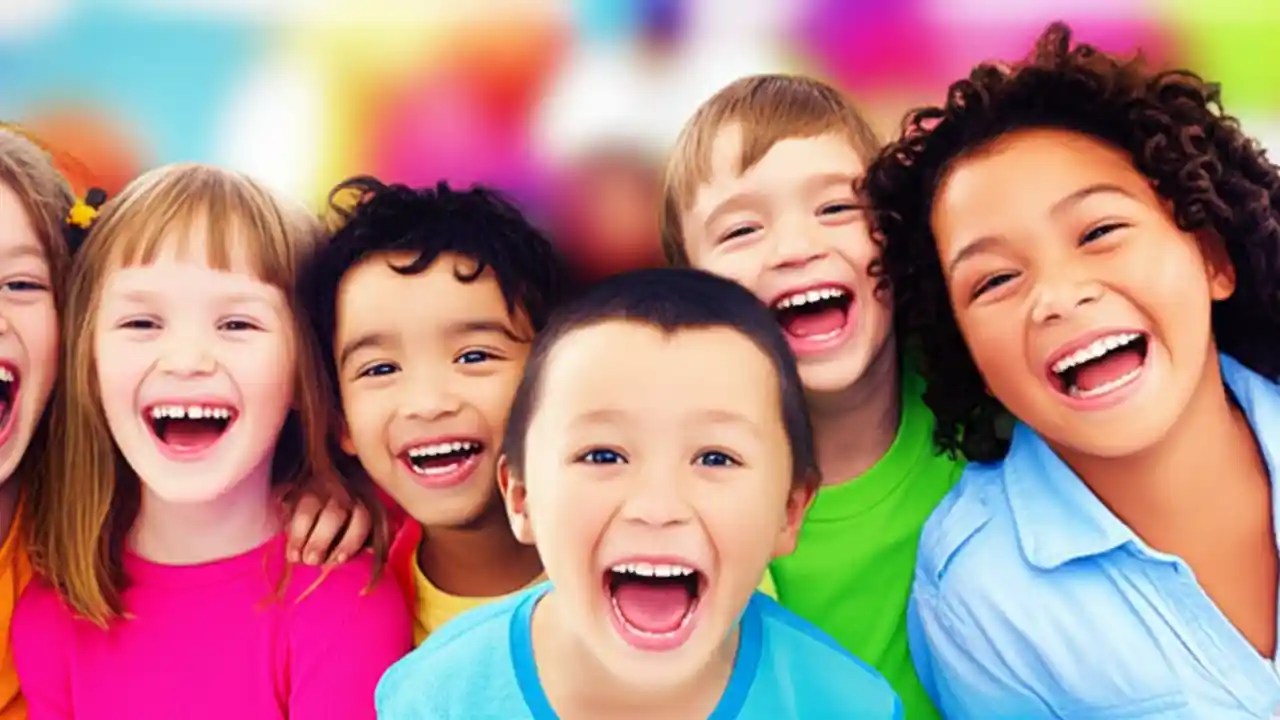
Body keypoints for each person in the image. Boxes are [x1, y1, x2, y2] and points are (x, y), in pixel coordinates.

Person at [863, 21, 1280, 718]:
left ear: (1213, 258)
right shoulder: (981, 596)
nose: (1058, 298)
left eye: (1099, 232)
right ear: (969, 356)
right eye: (994, 280)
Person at [376, 267, 902, 719]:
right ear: (521, 496)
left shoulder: (844, 705)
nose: (658, 508)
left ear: (790, 510)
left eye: (715, 458)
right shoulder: (433, 698)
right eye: (603, 456)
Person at [13, 163, 411, 719]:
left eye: (237, 325)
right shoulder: (50, 615)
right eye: (142, 323)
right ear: (88, 362)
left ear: (304, 371)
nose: (187, 360)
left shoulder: (340, 601)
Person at [660, 73, 963, 719]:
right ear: (693, 298)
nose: (797, 248)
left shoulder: (982, 397)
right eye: (741, 231)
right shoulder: (682, 495)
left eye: (836, 209)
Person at [300, 177, 570, 644]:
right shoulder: (354, 603)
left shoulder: (630, 555)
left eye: (474, 357)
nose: (428, 404)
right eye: (380, 369)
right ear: (339, 420)